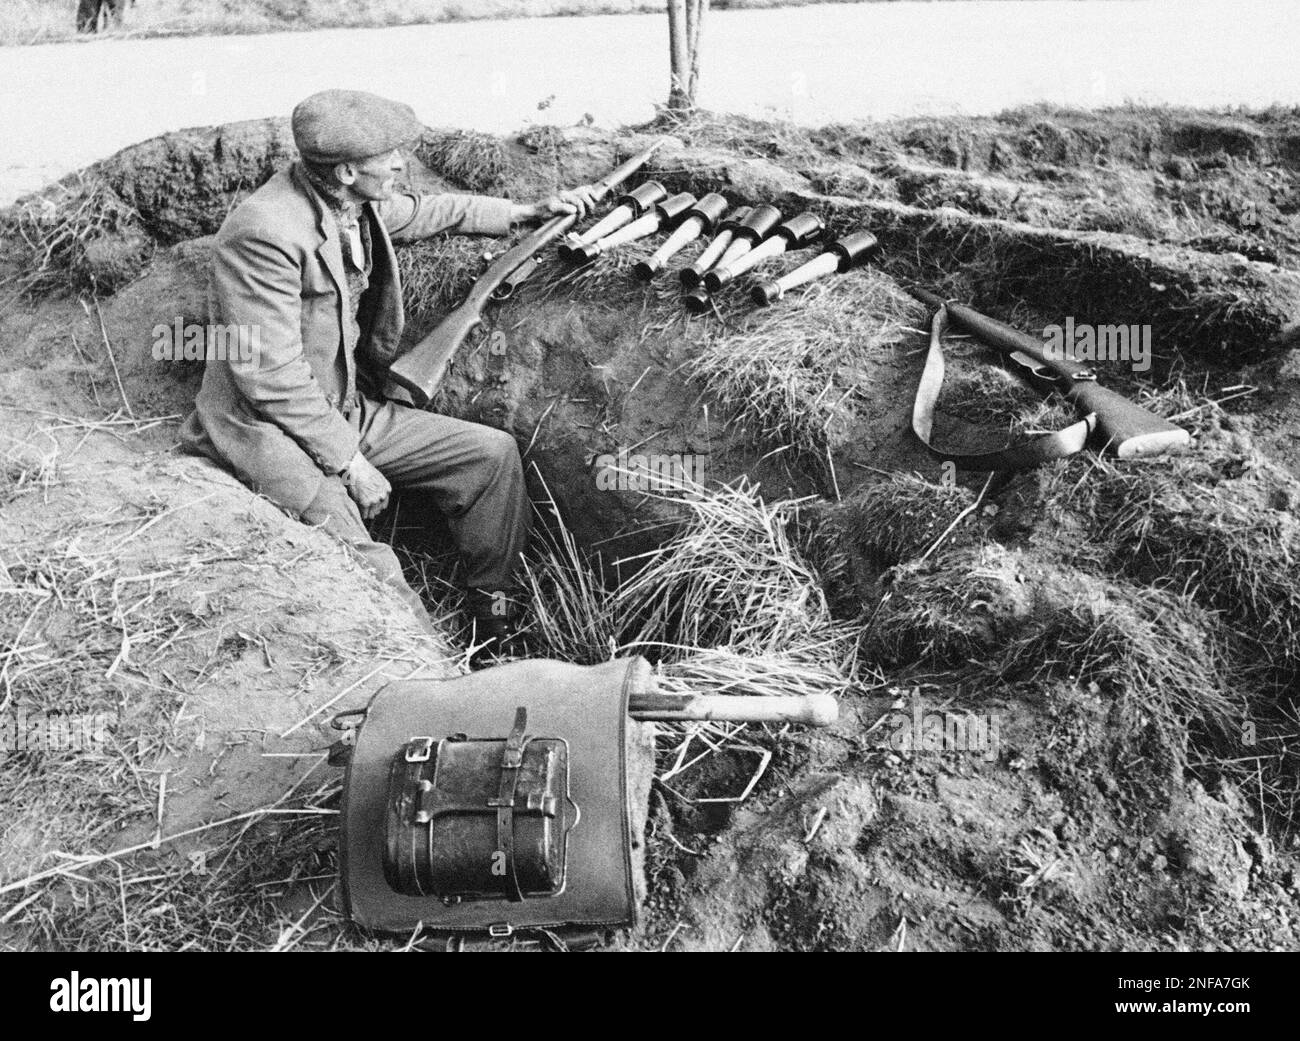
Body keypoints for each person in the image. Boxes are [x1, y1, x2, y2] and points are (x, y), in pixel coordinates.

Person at [179, 89, 596, 658]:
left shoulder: (347, 200)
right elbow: (268, 376)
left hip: (341, 406)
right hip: (265, 429)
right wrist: (350, 462)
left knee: (490, 457)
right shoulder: (265, 231)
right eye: (391, 156)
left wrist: (524, 213)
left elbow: (425, 211)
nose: (402, 164)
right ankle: (433, 675)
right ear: (348, 169)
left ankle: (493, 622)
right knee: (367, 561)